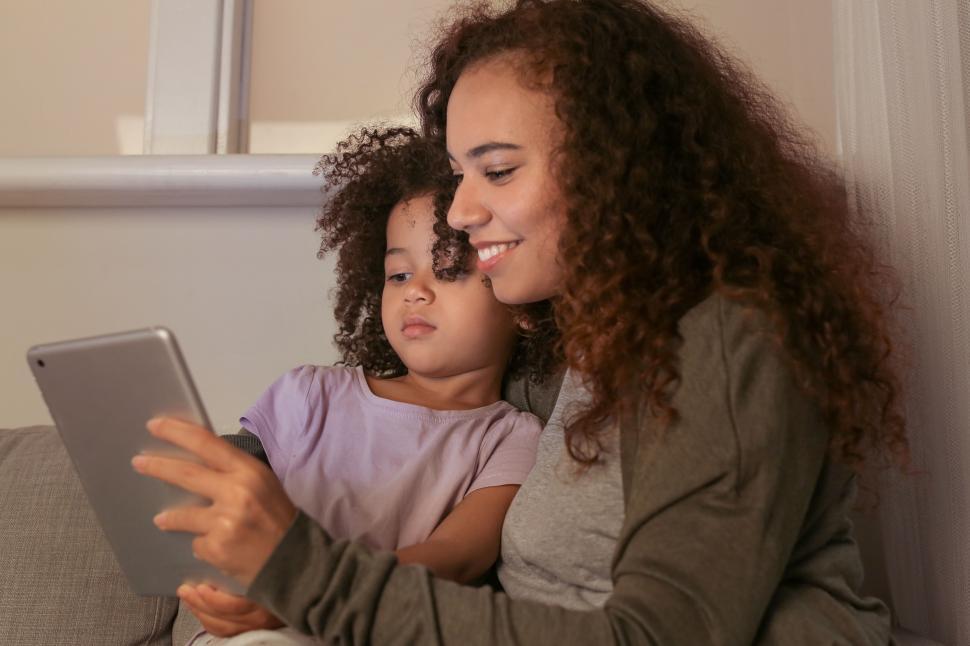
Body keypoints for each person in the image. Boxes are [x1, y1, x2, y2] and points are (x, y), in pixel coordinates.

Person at [134, 1, 910, 643]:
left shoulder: (729, 336)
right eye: (461, 171)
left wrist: (307, 573)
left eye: (497, 169)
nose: (463, 211)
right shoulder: (584, 339)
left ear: (619, 164)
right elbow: (412, 420)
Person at [173, 127, 555, 643]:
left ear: (523, 309)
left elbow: (459, 555)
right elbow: (226, 483)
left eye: (447, 271)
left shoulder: (512, 437)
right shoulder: (310, 394)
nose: (416, 292)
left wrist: (310, 593)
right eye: (398, 275)